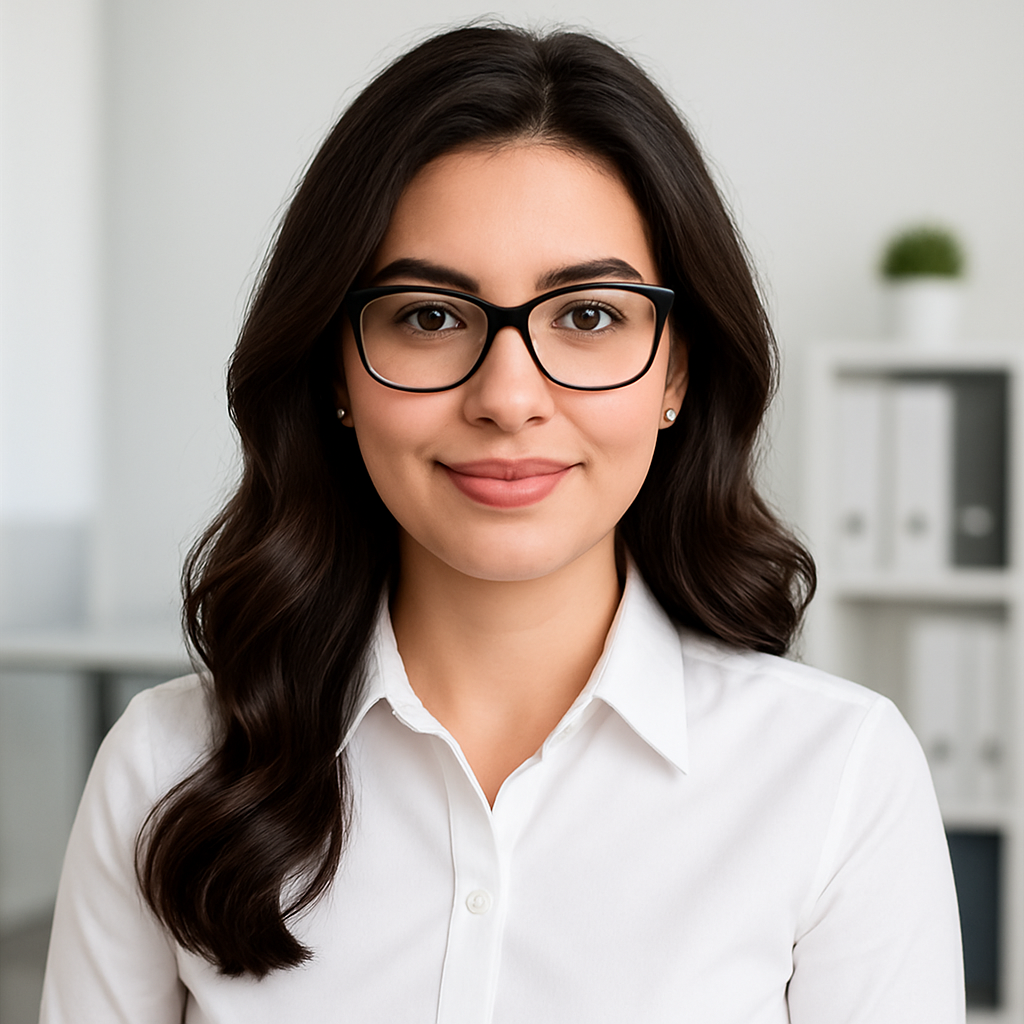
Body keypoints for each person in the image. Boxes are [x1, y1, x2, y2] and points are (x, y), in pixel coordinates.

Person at [40, 24, 964, 1023]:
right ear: (338, 373)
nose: (508, 396)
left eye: (589, 314)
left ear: (676, 371)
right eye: (430, 316)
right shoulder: (164, 768)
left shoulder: (836, 776)